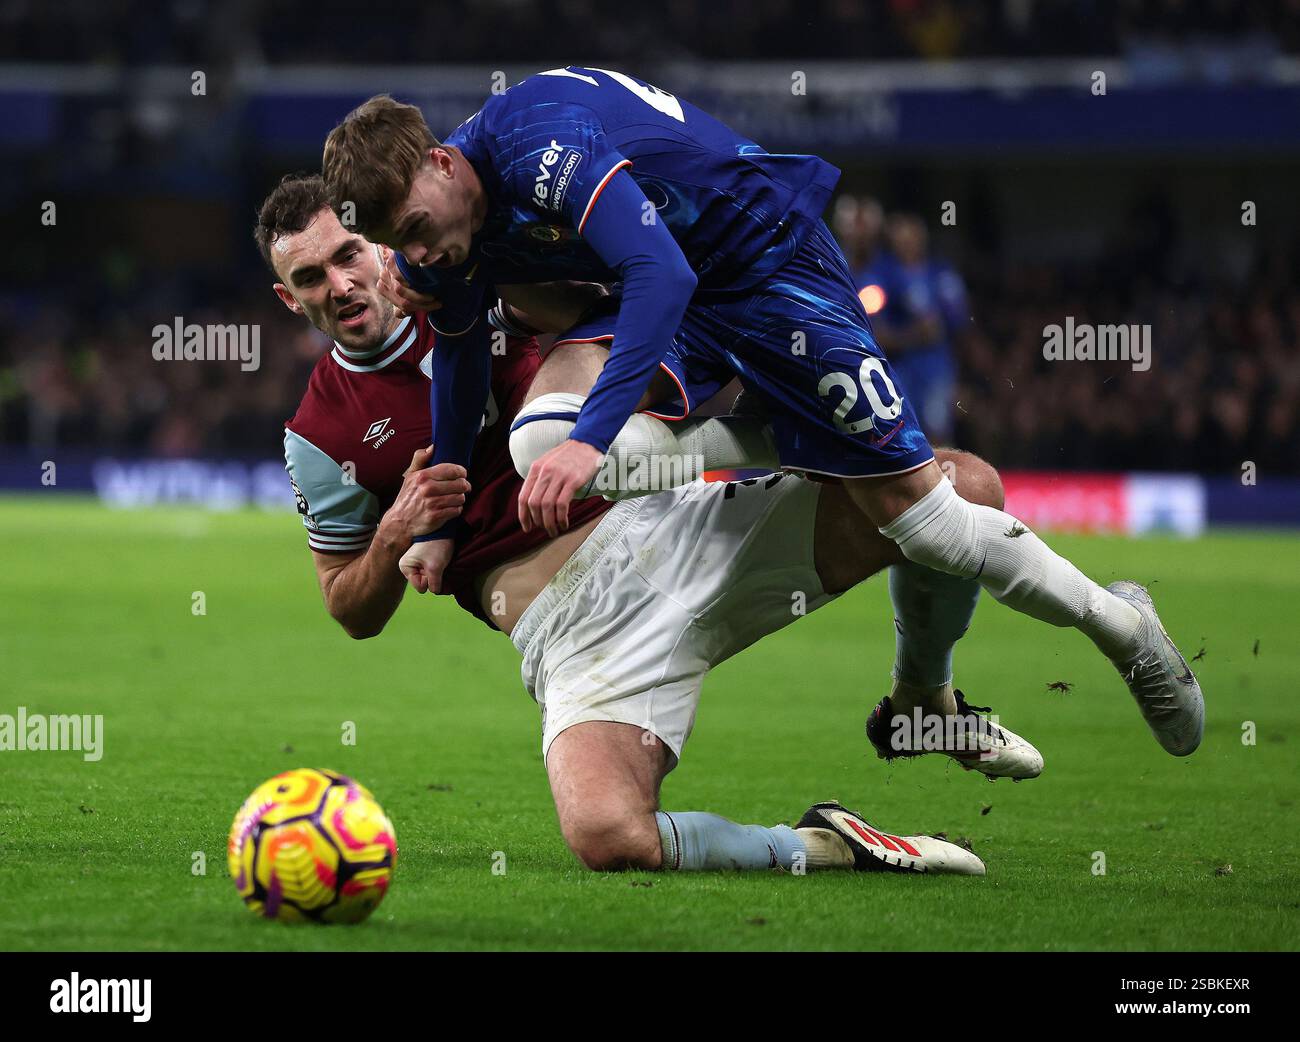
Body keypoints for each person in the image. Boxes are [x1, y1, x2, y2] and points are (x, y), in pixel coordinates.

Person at [320, 70, 1205, 759]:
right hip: (680, 302)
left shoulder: (542, 143)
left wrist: (596, 443)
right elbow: (464, 354)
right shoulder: (440, 240)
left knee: (928, 526)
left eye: (413, 224)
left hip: (768, 268)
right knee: (538, 433)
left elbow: (659, 274)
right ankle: (779, 442)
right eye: (396, 241)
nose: (416, 249)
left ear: (439, 162)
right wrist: (434, 526)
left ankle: (1122, 626)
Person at [256, 173, 1036, 875]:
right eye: (311, 278)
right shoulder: (317, 434)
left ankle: (922, 702)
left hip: (679, 526)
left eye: (348, 254)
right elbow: (347, 608)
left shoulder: (485, 283)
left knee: (965, 490)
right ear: (291, 299)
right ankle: (829, 846)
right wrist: (393, 533)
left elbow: (637, 306)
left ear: (381, 240)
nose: (341, 283)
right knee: (608, 837)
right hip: (574, 635)